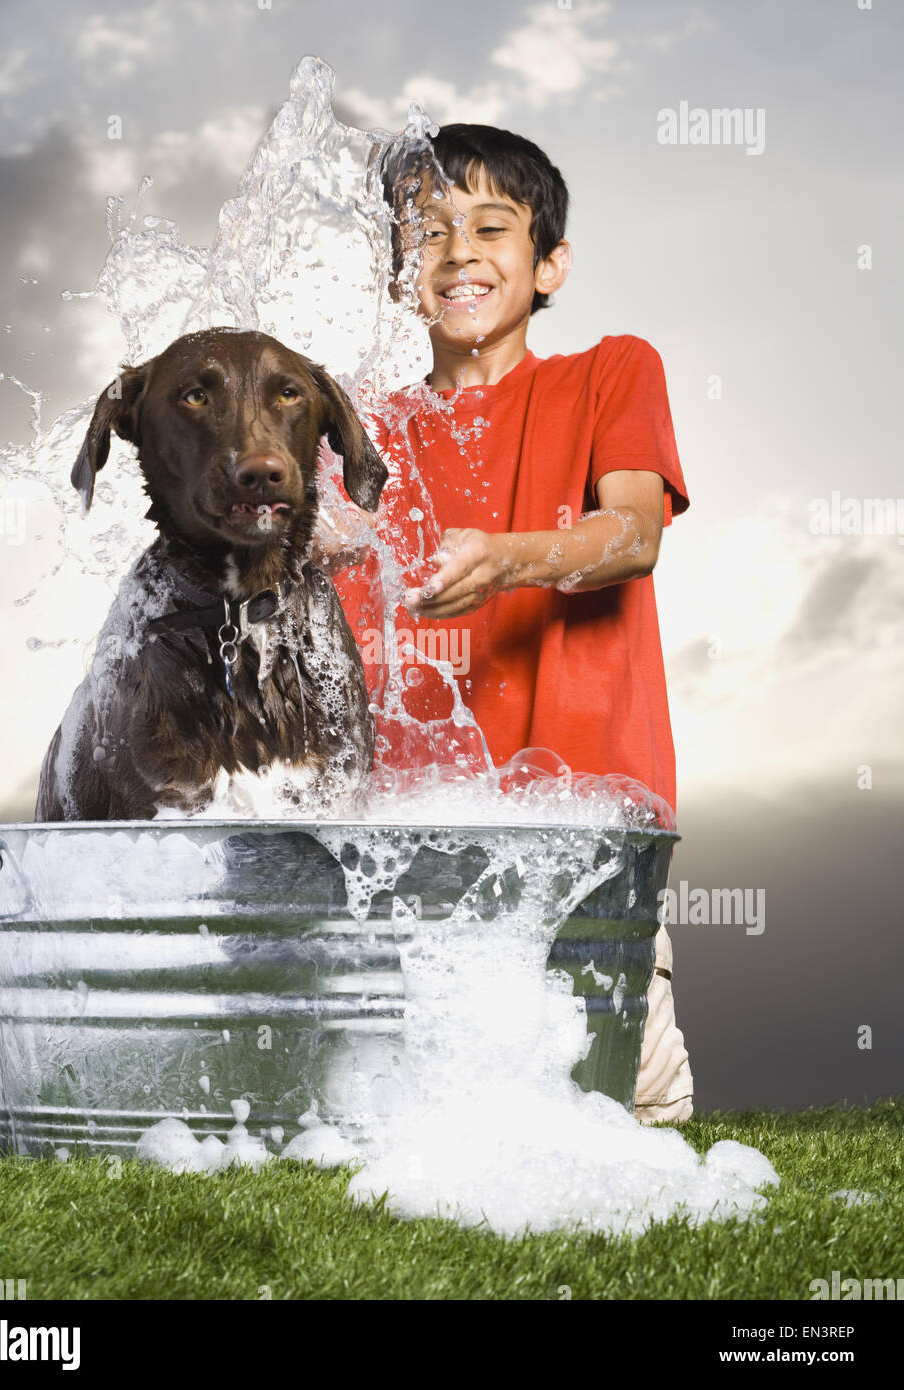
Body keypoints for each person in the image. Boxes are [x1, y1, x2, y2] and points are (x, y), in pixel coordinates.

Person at [314, 124, 693, 1125]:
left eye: (491, 226)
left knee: (622, 1112)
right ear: (400, 264)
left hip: (591, 846)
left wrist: (509, 562)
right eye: (427, 231)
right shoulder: (355, 432)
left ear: (550, 262)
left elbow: (634, 529)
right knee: (396, 1130)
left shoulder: (611, 373)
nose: (458, 253)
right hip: (406, 866)